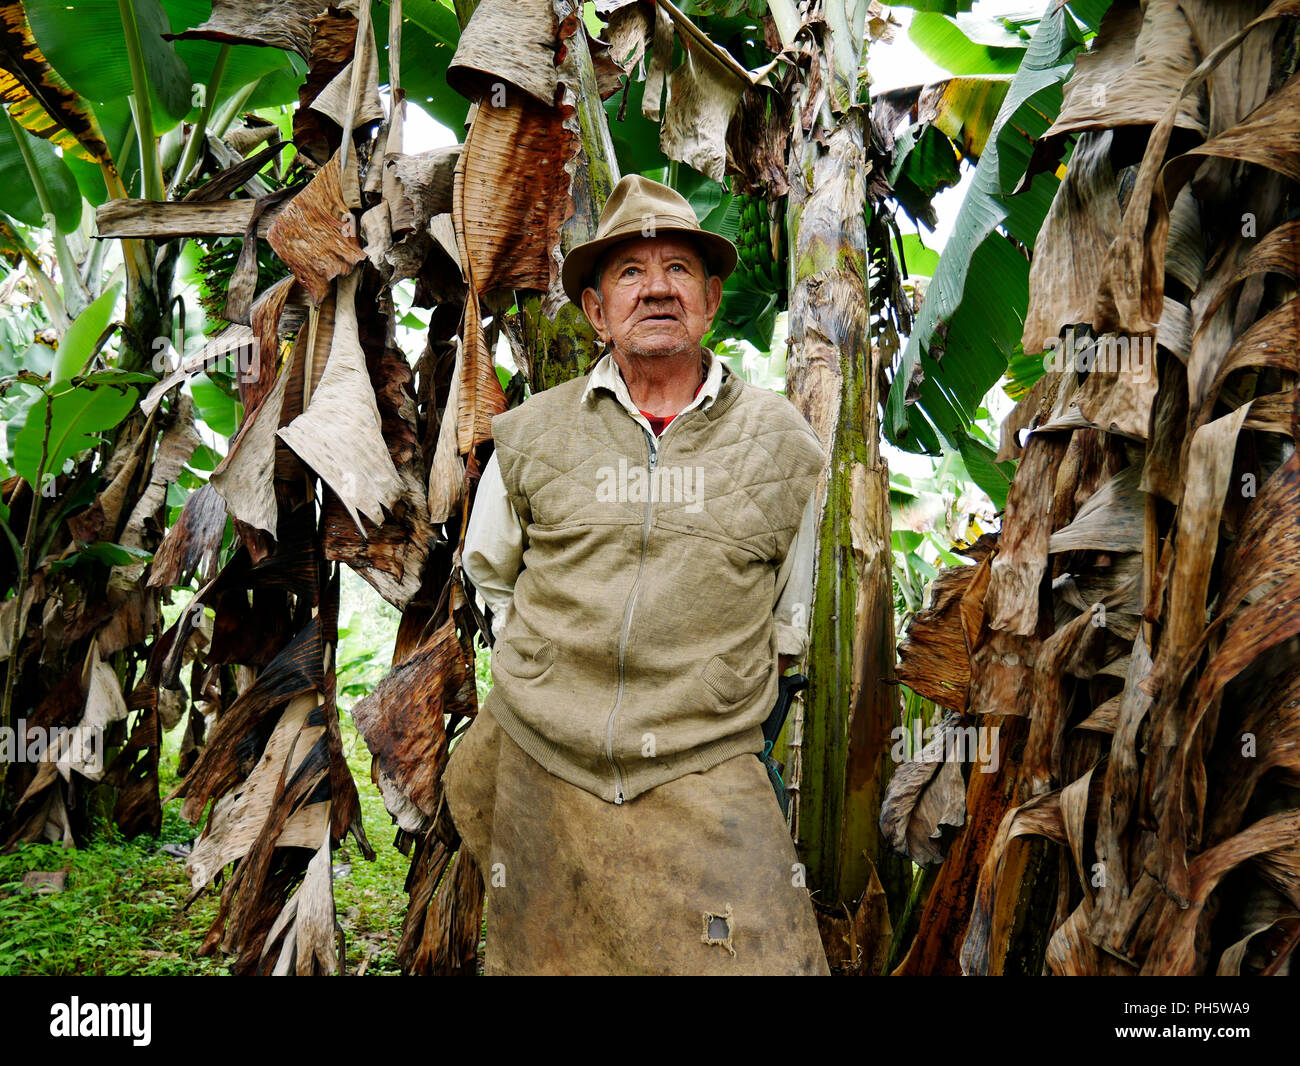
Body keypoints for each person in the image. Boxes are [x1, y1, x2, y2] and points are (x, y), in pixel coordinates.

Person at [442, 174, 830, 975]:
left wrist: (723, 690)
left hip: (704, 758)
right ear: (595, 312)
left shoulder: (779, 441)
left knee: (766, 955)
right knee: (551, 955)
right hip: (548, 755)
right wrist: (551, 676)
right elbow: (494, 577)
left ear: (712, 299)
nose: (656, 290)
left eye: (679, 270)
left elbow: (791, 612)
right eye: (628, 273)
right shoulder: (533, 434)